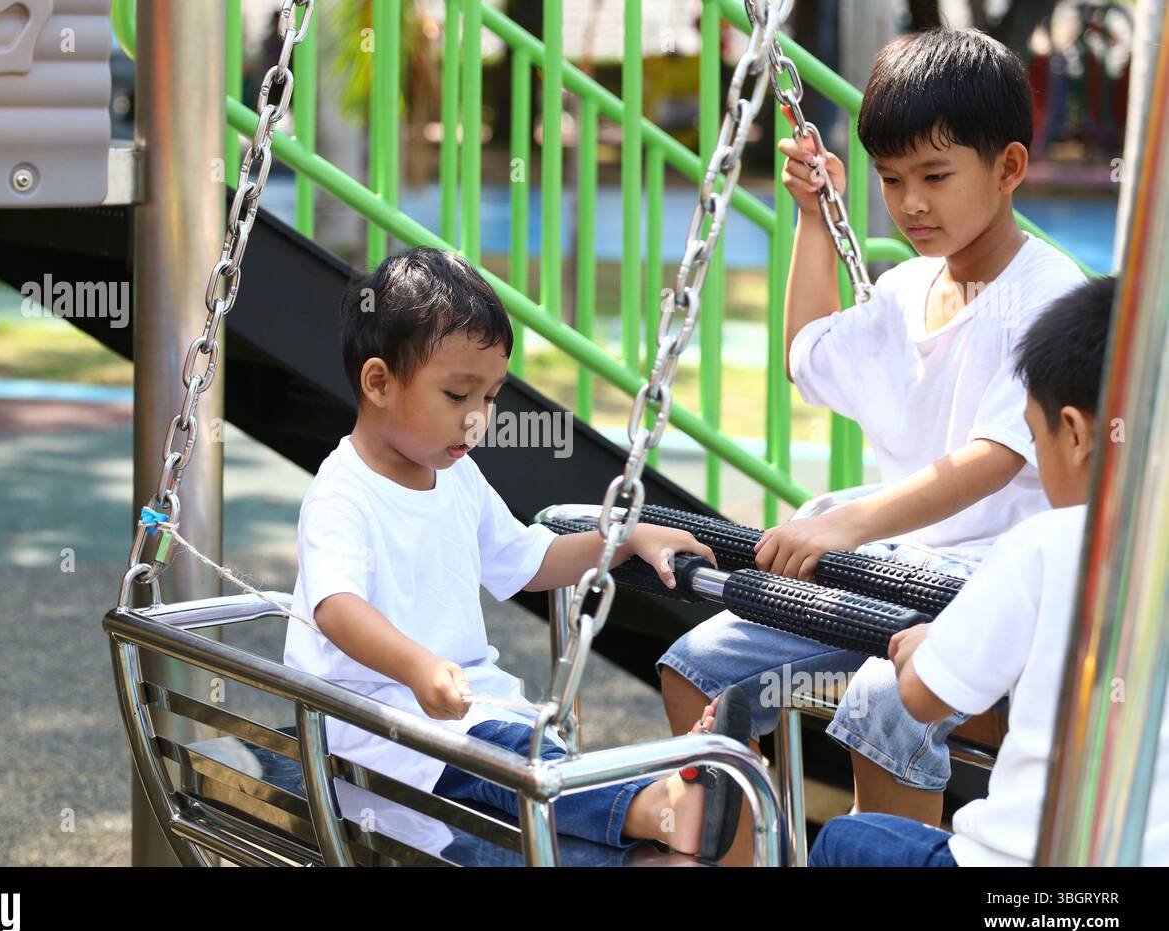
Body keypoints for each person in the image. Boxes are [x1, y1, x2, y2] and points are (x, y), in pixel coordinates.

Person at [657, 28, 1088, 858]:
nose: (911, 203)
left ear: (1007, 169)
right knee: (694, 664)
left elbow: (994, 458)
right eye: (892, 181)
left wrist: (843, 526)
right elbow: (808, 353)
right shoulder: (905, 287)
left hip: (987, 571)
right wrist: (816, 220)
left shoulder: (1048, 295)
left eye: (934, 176)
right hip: (892, 564)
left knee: (879, 701)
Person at [284, 246, 728, 853]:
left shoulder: (457, 475)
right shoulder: (343, 494)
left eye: (490, 398)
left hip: (472, 713)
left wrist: (618, 540)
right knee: (520, 769)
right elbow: (336, 607)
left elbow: (528, 561)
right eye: (458, 396)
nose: (478, 421)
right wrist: (417, 667)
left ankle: (661, 800)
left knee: (537, 774)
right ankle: (657, 801)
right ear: (380, 382)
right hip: (386, 734)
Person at [809, 276, 1169, 866]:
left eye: (1034, 434)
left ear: (1076, 433)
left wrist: (925, 645)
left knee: (846, 841)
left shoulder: (1046, 545)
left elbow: (923, 697)